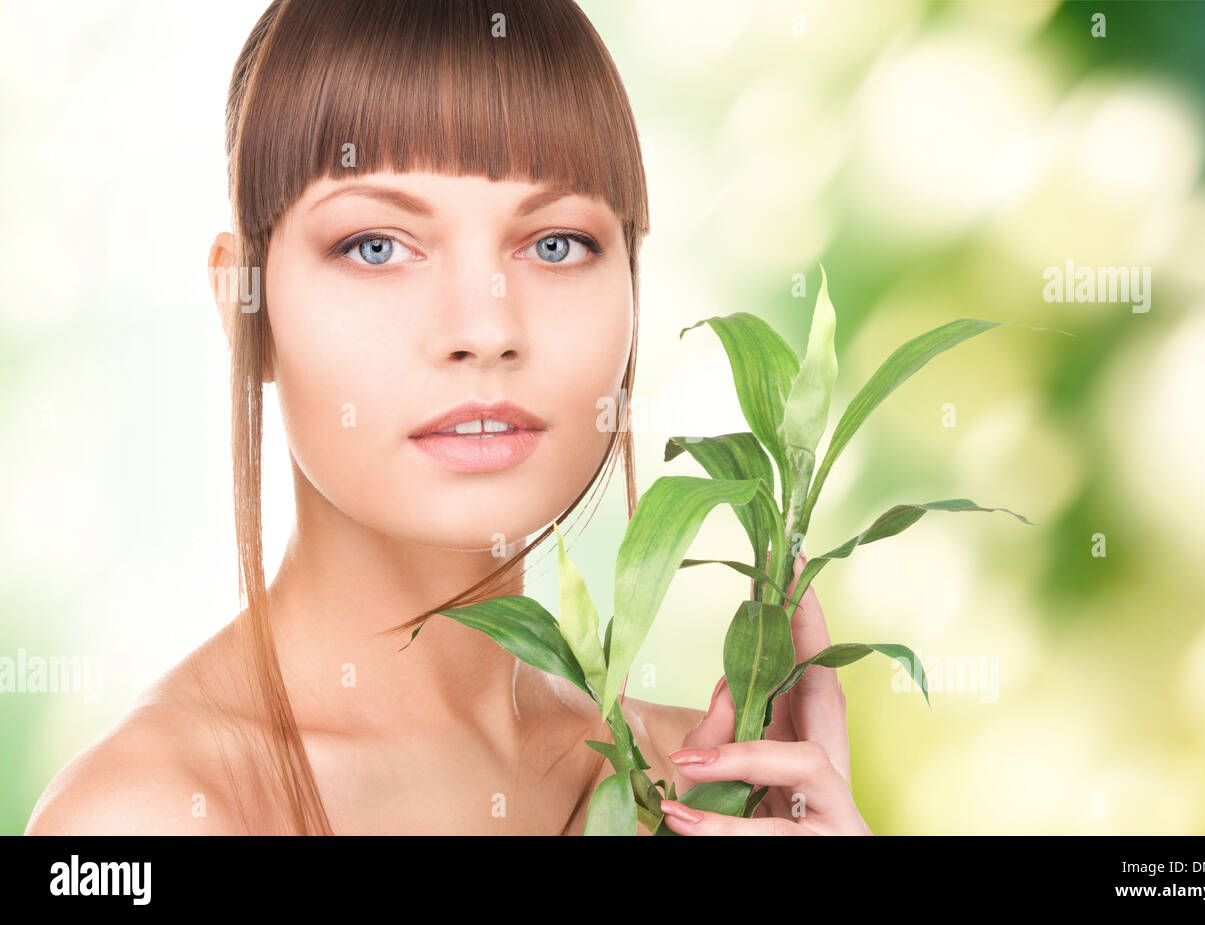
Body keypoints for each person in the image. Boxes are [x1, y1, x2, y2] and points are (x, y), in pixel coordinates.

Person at [25, 0, 868, 836]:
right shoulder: (141, 817)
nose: (486, 328)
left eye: (555, 244)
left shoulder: (709, 788)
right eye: (376, 246)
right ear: (244, 303)